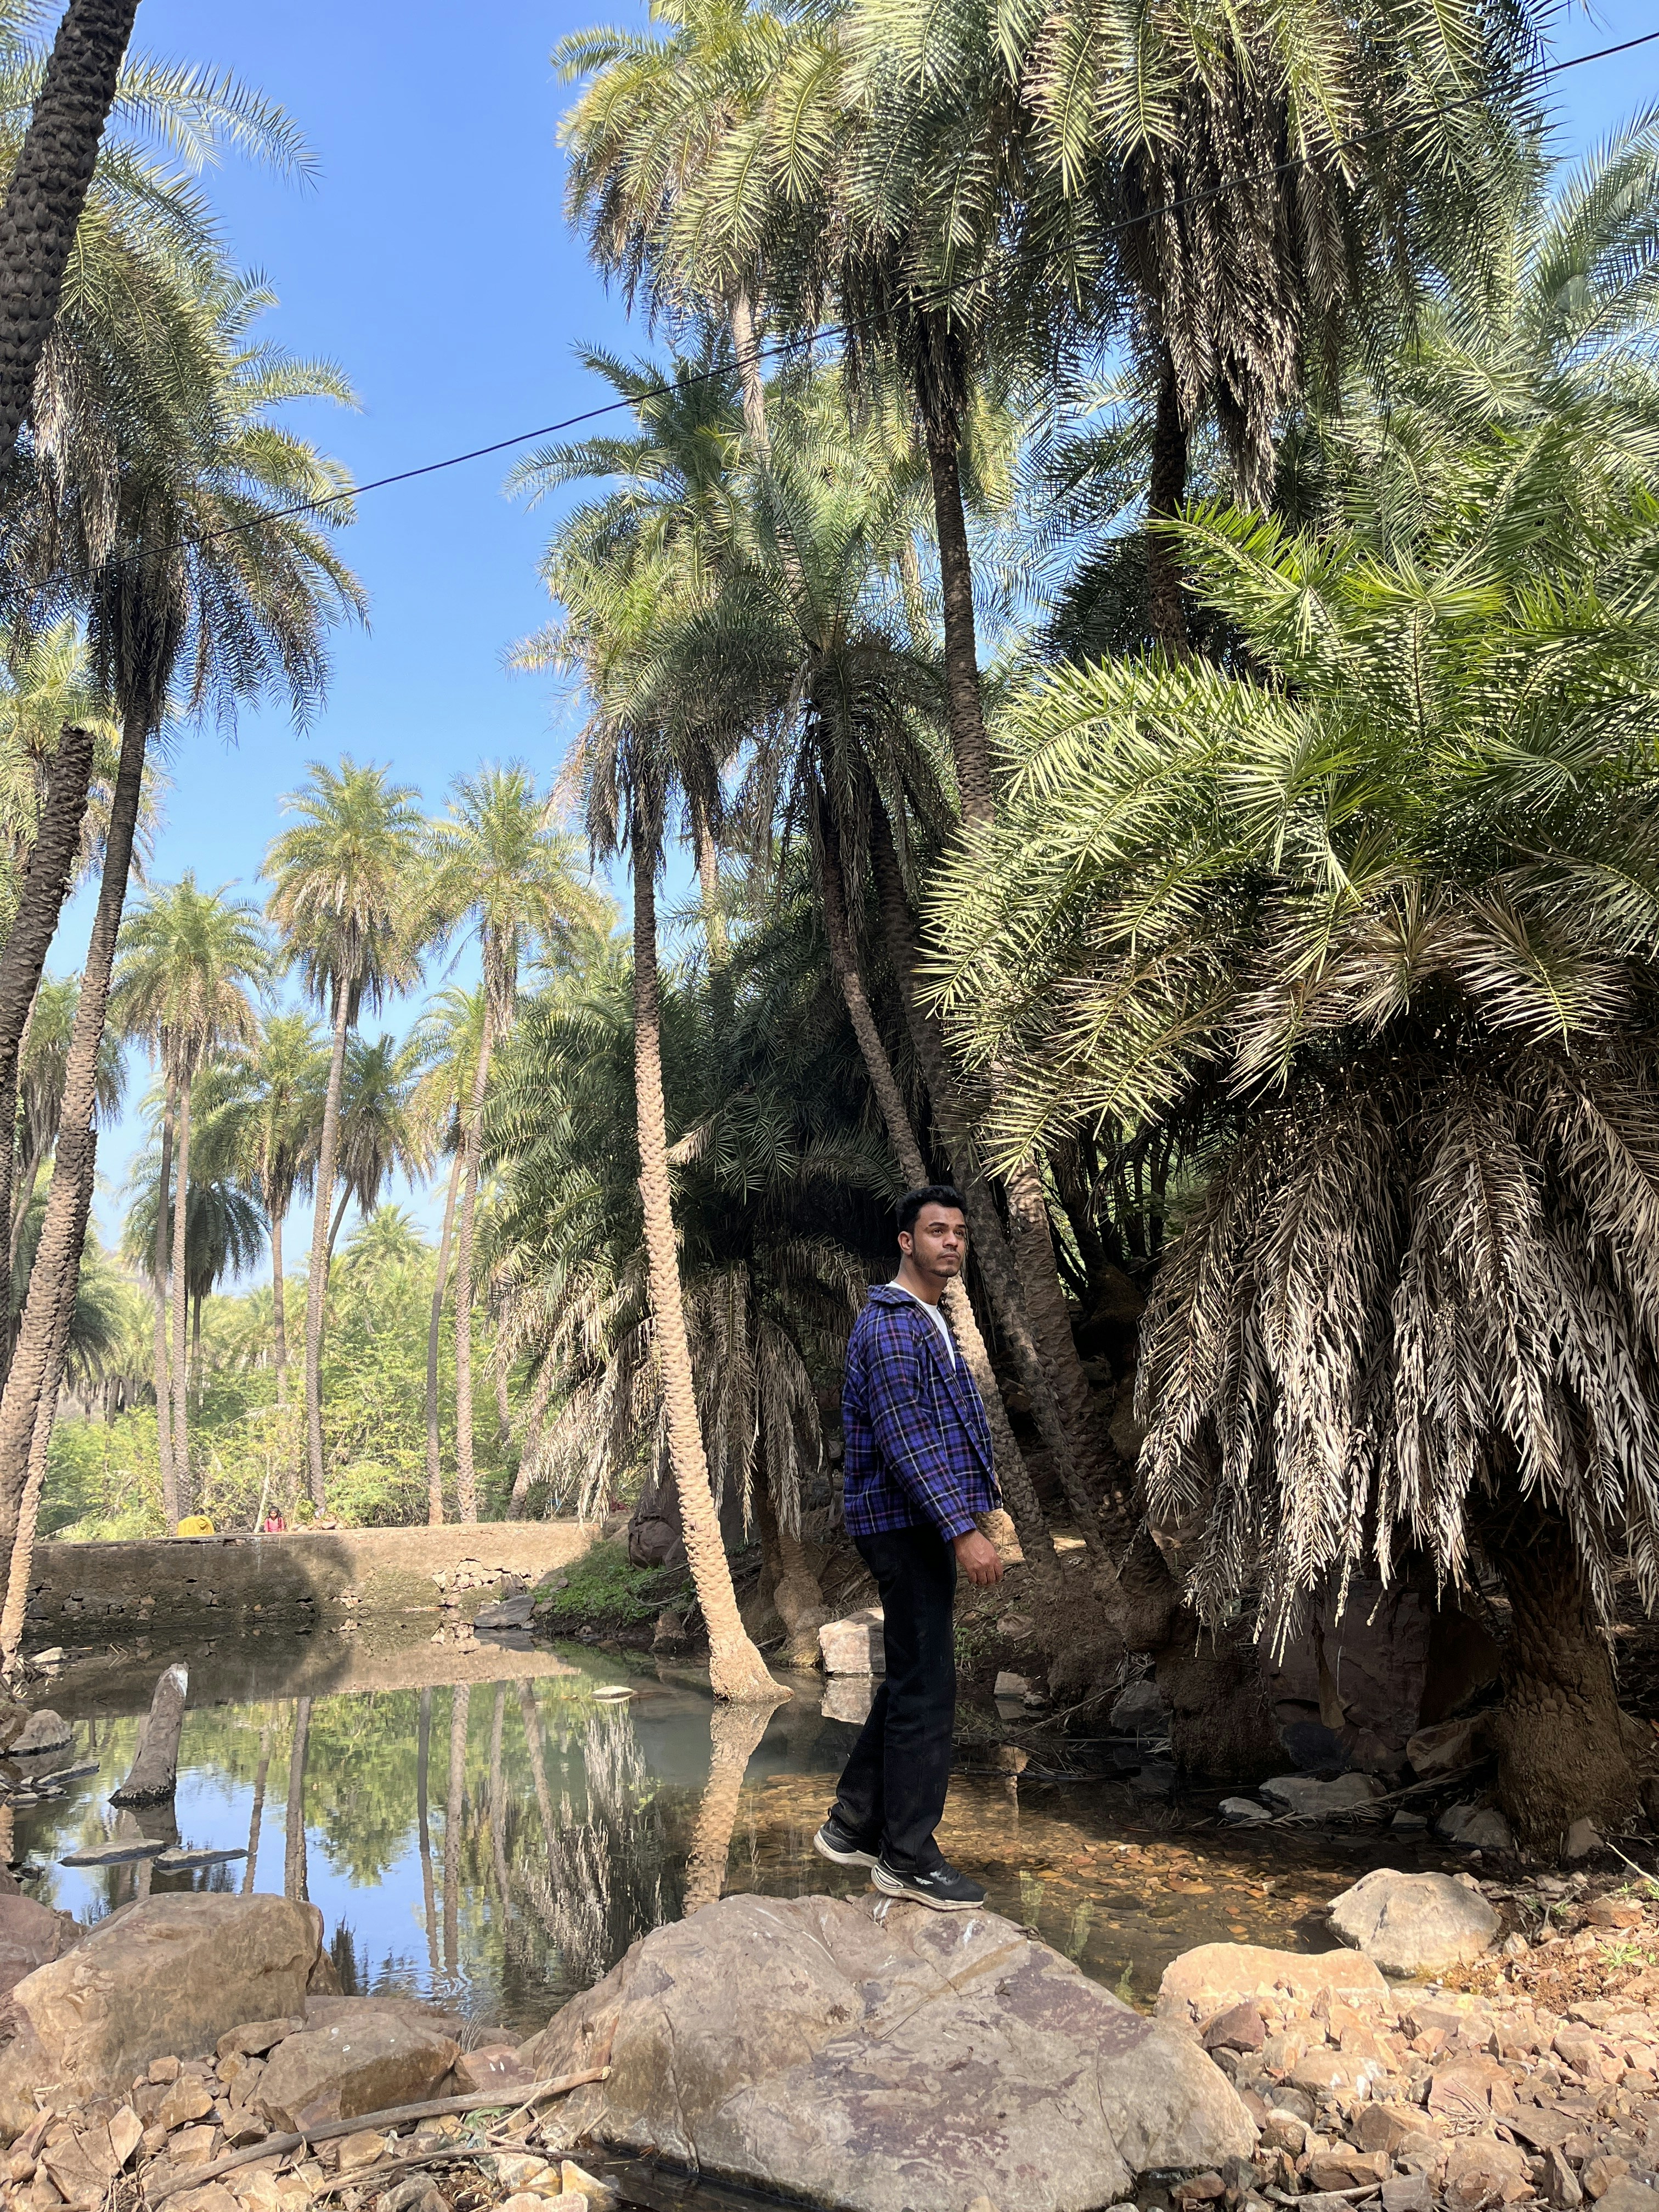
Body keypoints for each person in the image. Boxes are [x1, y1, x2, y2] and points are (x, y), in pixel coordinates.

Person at [815, 1183, 1002, 1910]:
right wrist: (963, 1530)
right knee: (928, 1691)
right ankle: (908, 1858)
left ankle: (856, 1824)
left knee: (910, 1680)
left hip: (912, 1520)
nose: (951, 1242)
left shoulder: (928, 1320)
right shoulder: (894, 1326)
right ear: (907, 1242)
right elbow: (905, 1436)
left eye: (958, 1231)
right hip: (907, 1524)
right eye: (936, 1231)